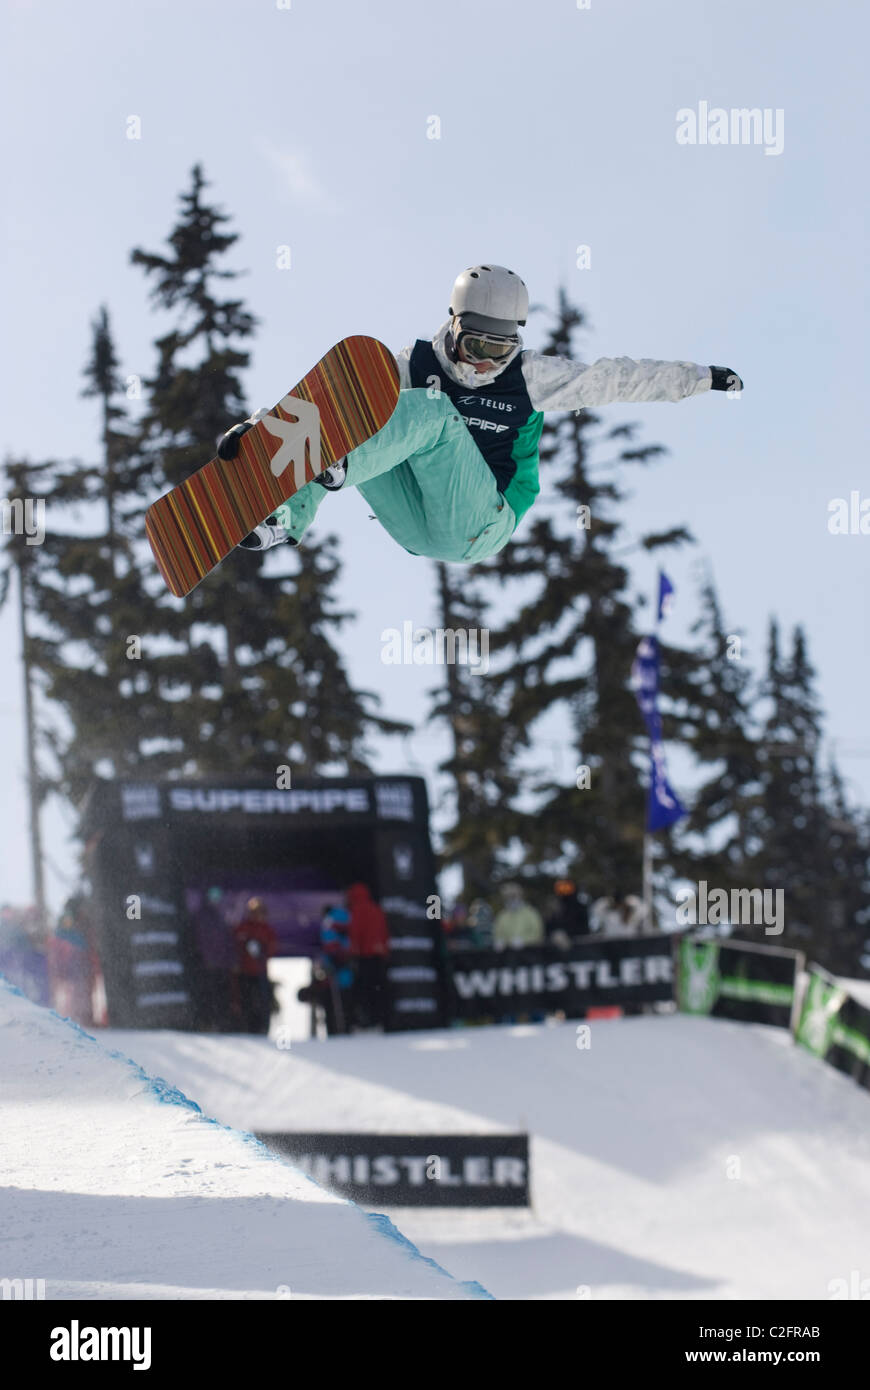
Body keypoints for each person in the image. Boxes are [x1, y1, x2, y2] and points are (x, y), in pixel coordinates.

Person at [219, 264, 743, 563]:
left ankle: (337, 461)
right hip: (414, 525)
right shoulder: (415, 363)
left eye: (499, 349)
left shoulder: (531, 378)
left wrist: (703, 378)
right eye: (474, 344)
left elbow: (622, 378)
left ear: (517, 341)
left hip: (480, 523)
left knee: (426, 412)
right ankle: (282, 518)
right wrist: (264, 426)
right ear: (454, 327)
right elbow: (327, 404)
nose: (484, 362)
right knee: (360, 407)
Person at [346, 882, 390, 1029]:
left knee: (364, 990)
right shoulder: (376, 909)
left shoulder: (358, 910)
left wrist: (354, 951)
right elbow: (384, 932)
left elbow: (355, 932)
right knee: (378, 989)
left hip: (365, 956)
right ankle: (380, 1020)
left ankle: (367, 1021)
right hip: (378, 955)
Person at [231, 897, 278, 1034]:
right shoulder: (243, 927)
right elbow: (235, 945)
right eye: (254, 912)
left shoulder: (267, 929)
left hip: (260, 972)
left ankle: (262, 1028)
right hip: (245, 972)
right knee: (246, 1002)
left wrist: (262, 949)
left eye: (260, 912)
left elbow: (272, 948)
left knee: (263, 1002)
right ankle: (247, 1028)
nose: (257, 915)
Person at [319, 903, 354, 1035]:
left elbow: (329, 942)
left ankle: (336, 1030)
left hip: (336, 967)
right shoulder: (347, 916)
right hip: (348, 967)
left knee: (335, 1002)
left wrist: (333, 959)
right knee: (347, 1001)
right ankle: (347, 1027)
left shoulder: (329, 921)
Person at [492, 883, 544, 950]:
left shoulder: (531, 913)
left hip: (530, 953)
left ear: (521, 895)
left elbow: (538, 934)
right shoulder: (501, 916)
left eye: (513, 896)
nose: (510, 899)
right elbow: (497, 933)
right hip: (507, 954)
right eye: (507, 897)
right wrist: (499, 940)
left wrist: (524, 940)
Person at [544, 879, 591, 948]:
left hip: (580, 945)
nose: (564, 889)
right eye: (561, 887)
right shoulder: (554, 910)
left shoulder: (580, 908)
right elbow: (548, 929)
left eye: (566, 887)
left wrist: (566, 934)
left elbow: (584, 929)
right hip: (557, 949)